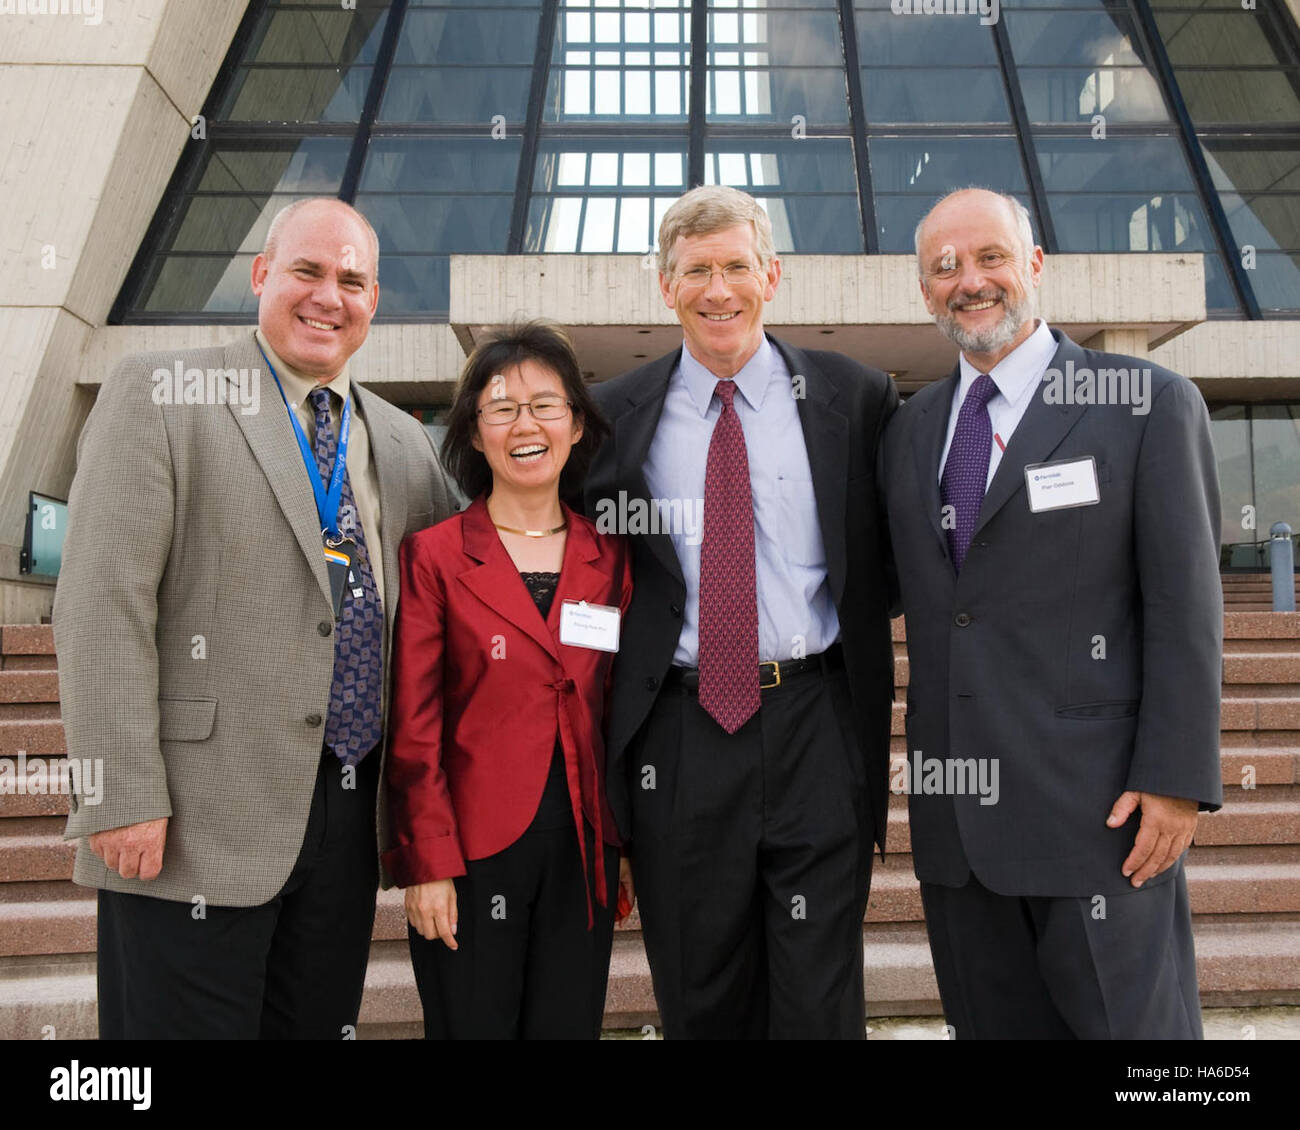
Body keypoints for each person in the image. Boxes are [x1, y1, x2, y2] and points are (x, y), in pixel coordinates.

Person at [54, 197, 459, 1039]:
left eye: (352, 280)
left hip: (347, 818)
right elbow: (101, 605)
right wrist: (120, 790)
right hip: (190, 822)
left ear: (374, 300)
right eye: (307, 271)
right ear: (262, 275)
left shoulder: (403, 441)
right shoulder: (161, 396)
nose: (328, 296)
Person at [882, 187, 1223, 1039]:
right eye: (945, 267)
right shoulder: (908, 430)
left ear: (1034, 265)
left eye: (990, 257)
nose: (970, 281)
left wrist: (1178, 781)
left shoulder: (1147, 404)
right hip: (958, 826)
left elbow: (1185, 609)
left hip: (1099, 817)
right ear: (924, 291)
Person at [584, 185, 899, 1039]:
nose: (717, 290)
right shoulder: (612, 417)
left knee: (819, 991)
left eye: (734, 267)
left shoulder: (857, 398)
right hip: (679, 732)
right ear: (665, 286)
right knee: (699, 984)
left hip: (816, 721)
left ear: (772, 275)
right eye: (696, 272)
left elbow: (891, 562)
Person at [385, 321, 634, 1040]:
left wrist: (621, 847)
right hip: (470, 852)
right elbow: (414, 724)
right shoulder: (433, 556)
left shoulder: (612, 557)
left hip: (583, 851)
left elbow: (618, 705)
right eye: (502, 407)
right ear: (474, 429)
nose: (525, 425)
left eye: (546, 405)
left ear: (577, 423)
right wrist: (425, 864)